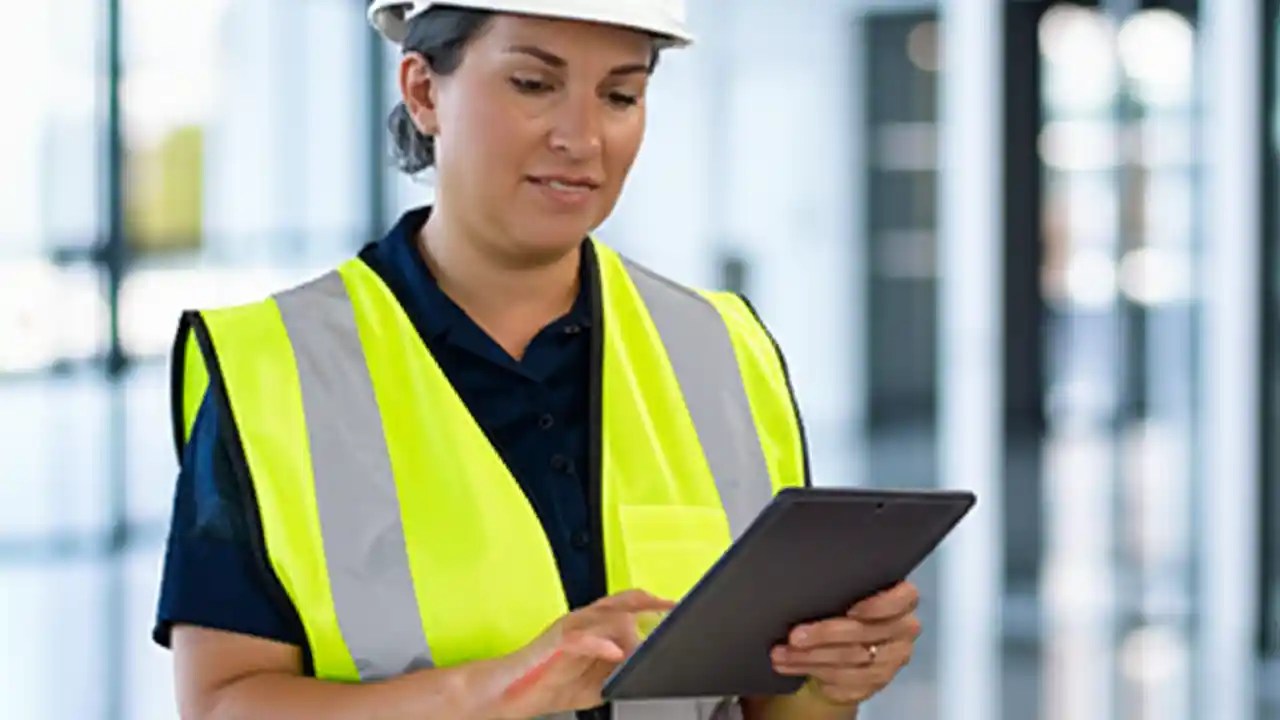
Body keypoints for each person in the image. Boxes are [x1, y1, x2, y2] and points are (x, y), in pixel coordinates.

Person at [153, 1, 923, 718]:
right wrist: (498, 688)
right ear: (423, 91)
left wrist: (828, 677)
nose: (582, 139)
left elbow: (766, 706)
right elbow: (224, 705)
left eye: (620, 95)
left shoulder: (723, 349)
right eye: (533, 83)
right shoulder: (275, 368)